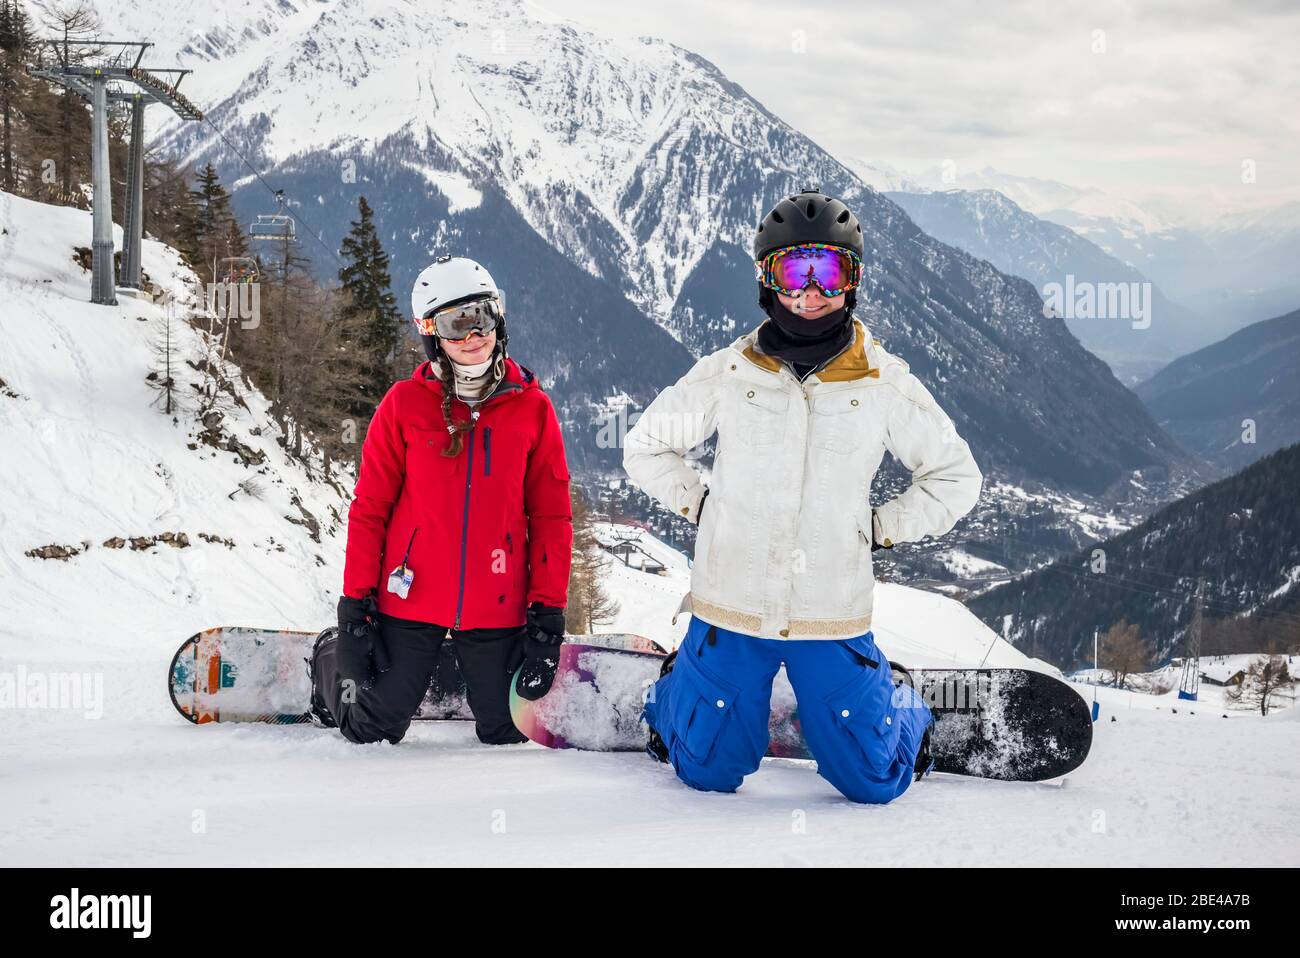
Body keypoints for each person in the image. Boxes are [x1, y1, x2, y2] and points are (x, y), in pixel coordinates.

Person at [624, 189, 982, 804]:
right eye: (795, 270)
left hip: (830, 609)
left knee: (873, 782)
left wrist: (877, 528)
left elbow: (956, 477)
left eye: (829, 270)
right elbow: (646, 447)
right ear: (769, 280)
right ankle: (676, 688)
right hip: (731, 603)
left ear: (853, 281)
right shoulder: (729, 374)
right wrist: (704, 507)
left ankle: (897, 697)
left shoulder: (882, 382)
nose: (811, 290)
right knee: (708, 772)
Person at [310, 255, 573, 746]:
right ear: (432, 333)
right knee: (371, 725)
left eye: (482, 318)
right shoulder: (403, 406)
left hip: (497, 598)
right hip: (410, 593)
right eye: (457, 324)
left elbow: (552, 516)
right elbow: (370, 509)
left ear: (499, 318)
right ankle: (327, 655)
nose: (473, 337)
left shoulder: (532, 409)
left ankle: (458, 661)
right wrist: (354, 609)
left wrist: (547, 613)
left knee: (507, 729)